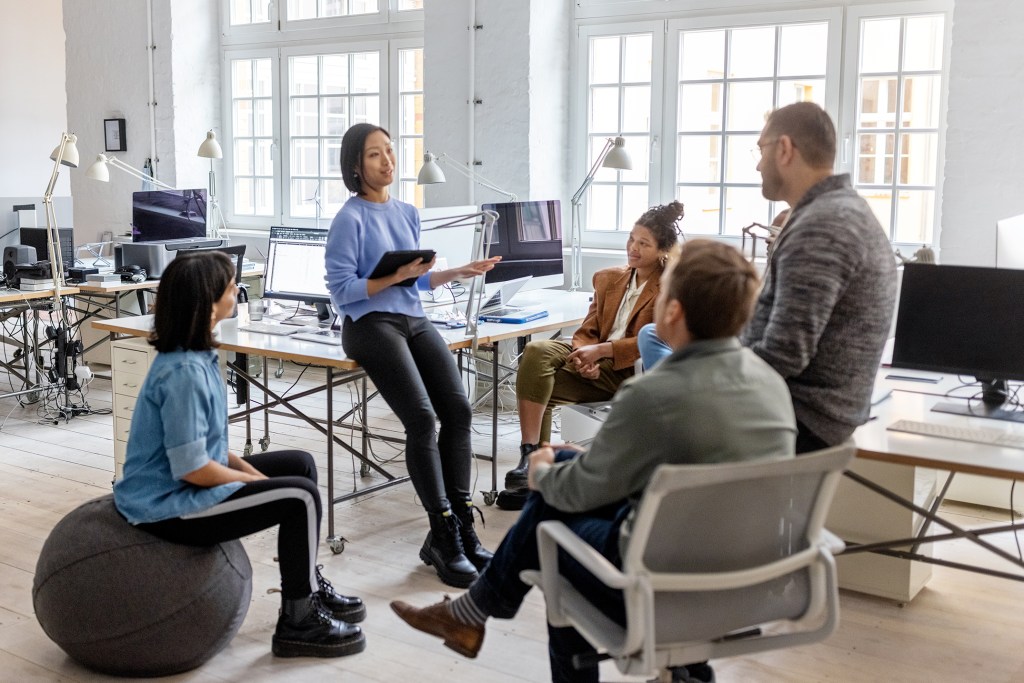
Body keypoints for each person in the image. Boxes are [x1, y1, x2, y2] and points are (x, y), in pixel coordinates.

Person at [390, 239, 797, 683]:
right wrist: (590, 460)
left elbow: (579, 492)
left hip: (662, 584)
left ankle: (471, 615)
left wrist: (542, 471)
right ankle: (687, 672)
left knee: (549, 523)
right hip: (754, 583)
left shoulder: (654, 394)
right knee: (571, 495)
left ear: (674, 312)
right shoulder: (770, 384)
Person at [112, 250, 366, 659]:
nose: (238, 292)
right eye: (232, 288)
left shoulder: (197, 356)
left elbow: (211, 448)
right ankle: (297, 623)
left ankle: (309, 588)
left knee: (298, 465)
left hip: (183, 486)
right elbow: (194, 468)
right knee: (299, 496)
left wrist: (260, 480)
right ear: (207, 305)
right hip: (169, 506)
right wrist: (256, 485)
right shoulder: (183, 374)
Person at [638, 102, 897, 453]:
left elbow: (785, 352)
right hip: (805, 409)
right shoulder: (838, 211)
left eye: (761, 149)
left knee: (644, 412)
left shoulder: (823, 226)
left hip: (795, 417)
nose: (759, 164)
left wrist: (695, 382)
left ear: (785, 149)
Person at [325, 123, 501, 589]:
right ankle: (441, 532)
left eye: (390, 151)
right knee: (422, 420)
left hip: (411, 317)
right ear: (355, 166)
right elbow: (343, 292)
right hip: (368, 324)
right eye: (375, 155)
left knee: (459, 411)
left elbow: (414, 282)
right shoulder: (349, 218)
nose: (388, 161)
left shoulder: (407, 212)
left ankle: (462, 522)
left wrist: (453, 273)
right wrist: (396, 275)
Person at [503, 201, 683, 496]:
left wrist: (602, 352)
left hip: (627, 371)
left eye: (643, 244)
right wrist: (585, 356)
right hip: (593, 360)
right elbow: (587, 330)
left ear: (662, 250)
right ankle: (529, 457)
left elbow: (654, 340)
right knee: (536, 353)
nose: (633, 248)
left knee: (540, 387)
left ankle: (536, 471)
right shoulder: (608, 278)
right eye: (631, 239)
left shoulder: (671, 287)